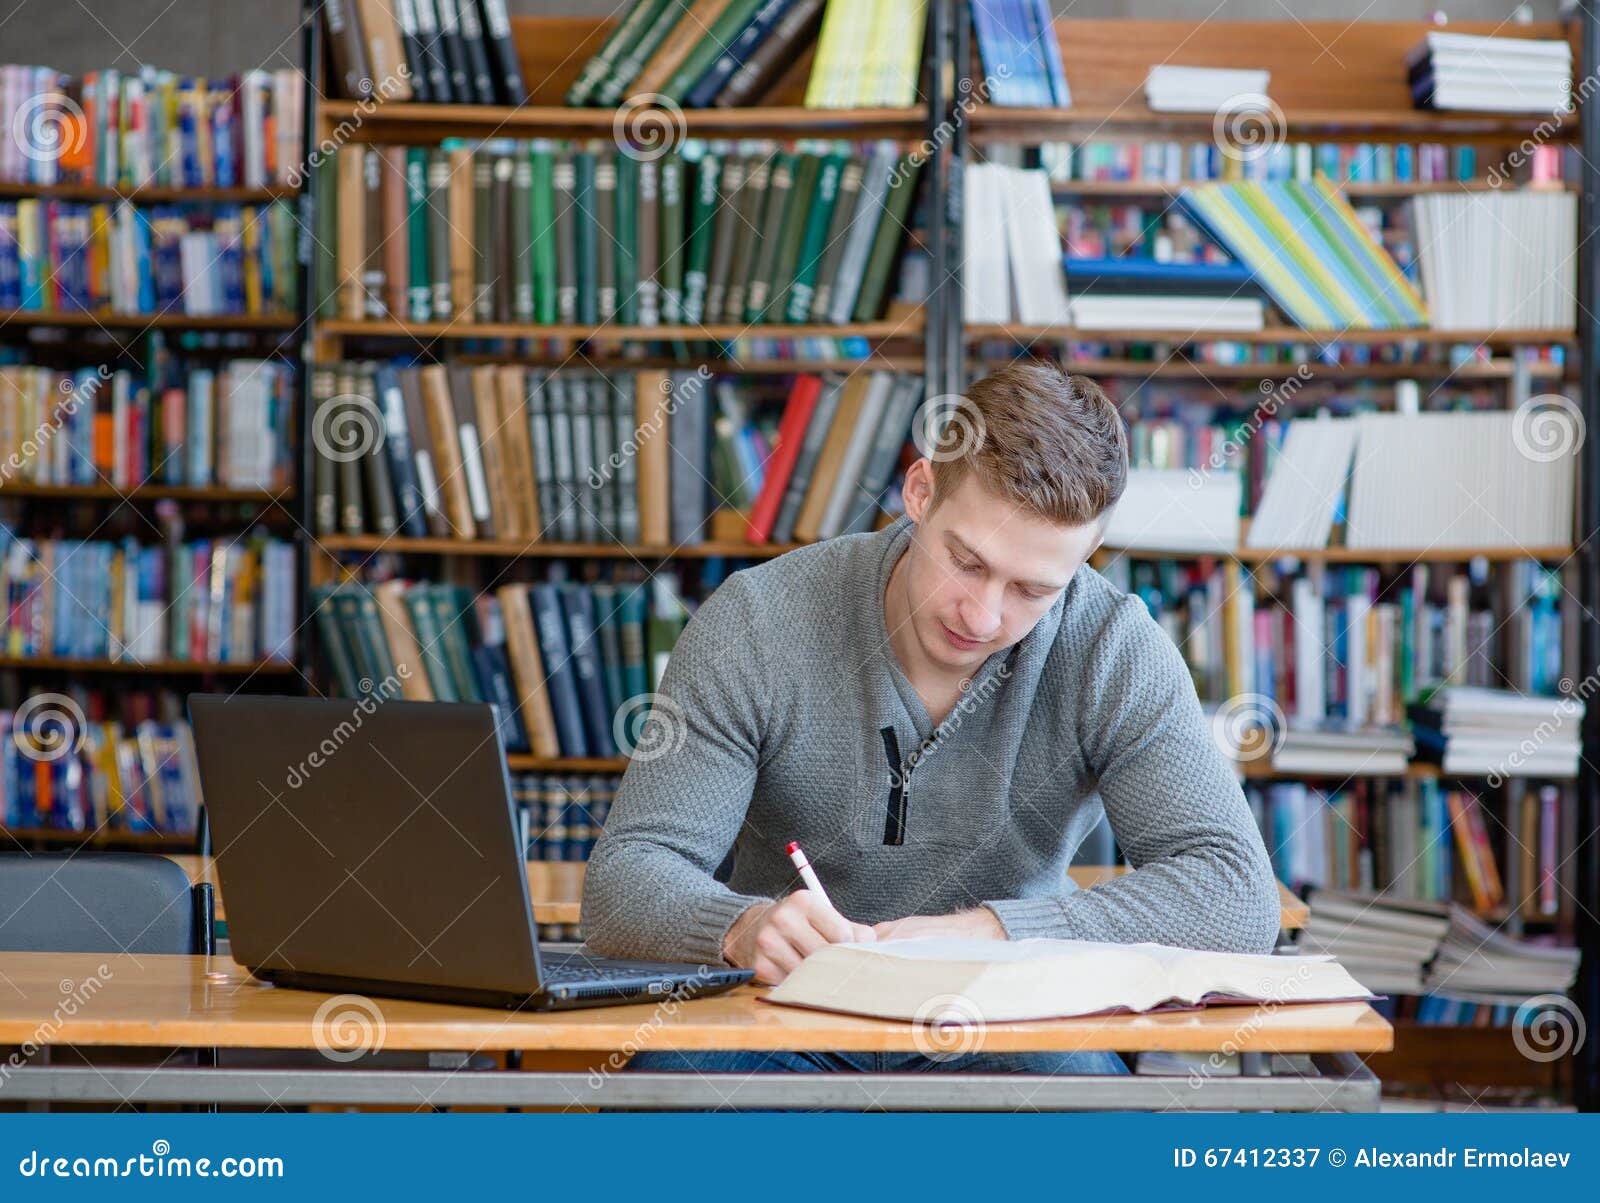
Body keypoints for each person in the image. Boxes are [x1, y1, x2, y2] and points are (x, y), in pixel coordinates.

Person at [580, 361, 1280, 1078]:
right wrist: (741, 926)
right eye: (966, 562)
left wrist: (994, 933)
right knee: (673, 1089)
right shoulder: (757, 621)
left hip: (1009, 1023)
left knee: (1095, 1131)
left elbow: (1235, 892)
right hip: (779, 1014)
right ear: (919, 491)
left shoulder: (1112, 646)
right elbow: (623, 881)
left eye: (1033, 589)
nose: (982, 615)